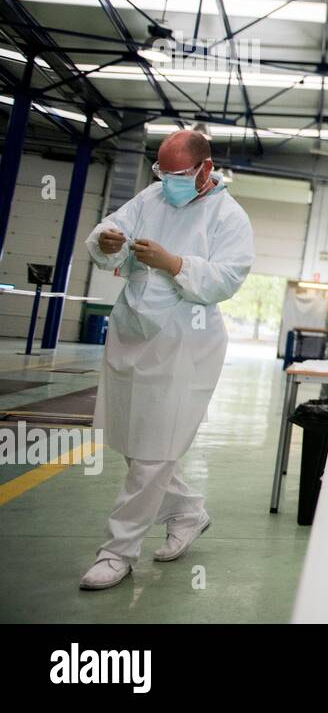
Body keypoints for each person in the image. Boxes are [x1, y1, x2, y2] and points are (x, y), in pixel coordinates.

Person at [79, 130, 254, 590]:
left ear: (205, 169)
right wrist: (108, 242)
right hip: (133, 331)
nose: (167, 181)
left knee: (155, 453)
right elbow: (104, 233)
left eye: (177, 174)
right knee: (136, 445)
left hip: (184, 344)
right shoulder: (151, 195)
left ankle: (117, 552)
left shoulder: (228, 216)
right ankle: (189, 512)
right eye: (161, 171)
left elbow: (228, 277)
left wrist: (173, 263)